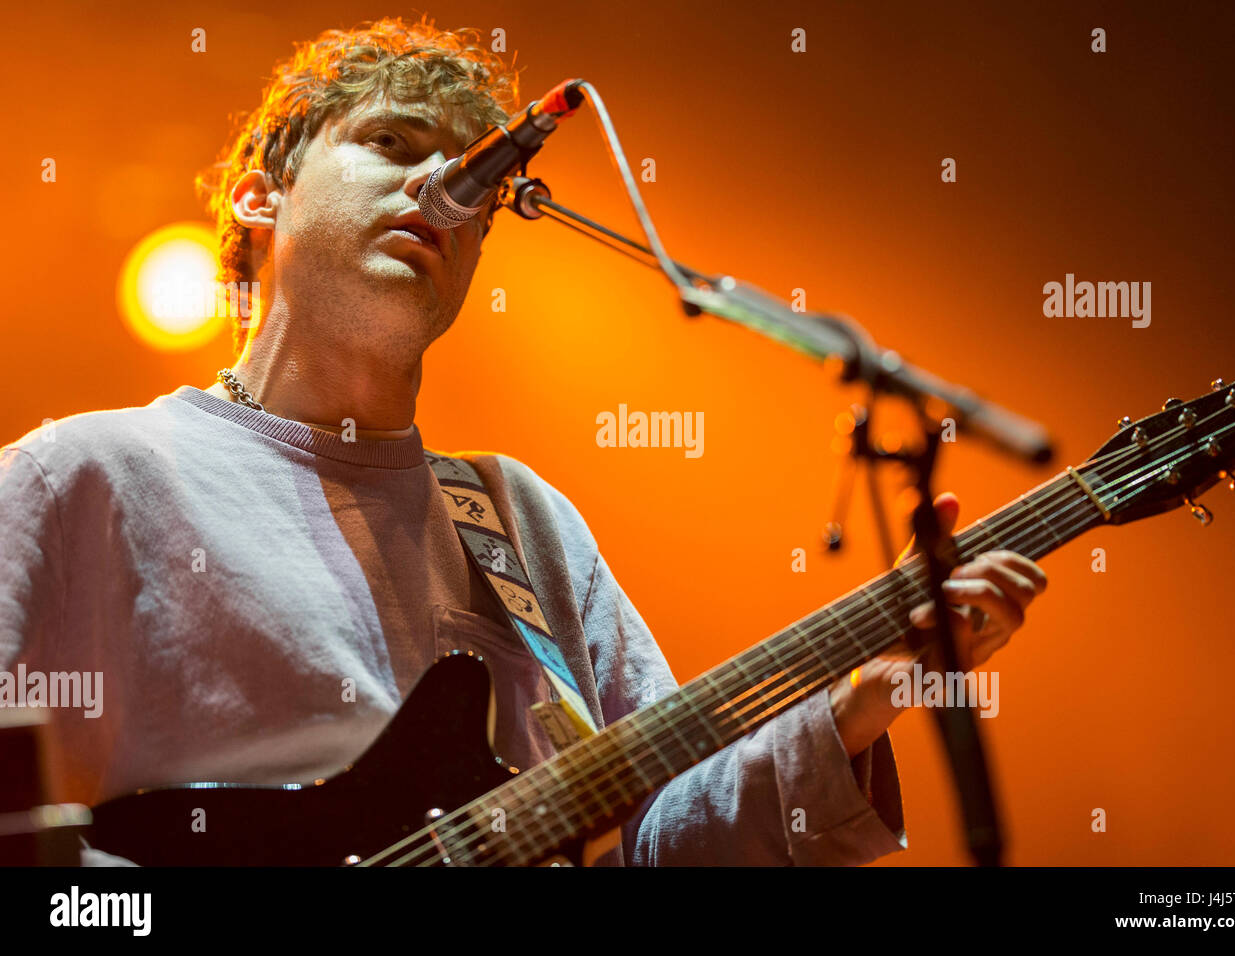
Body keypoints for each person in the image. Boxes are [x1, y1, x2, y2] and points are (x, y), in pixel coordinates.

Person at [0, 16, 1046, 866]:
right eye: (392, 144)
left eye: (469, 181)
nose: (437, 190)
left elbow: (664, 836)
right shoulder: (81, 473)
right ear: (258, 194)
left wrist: (858, 702)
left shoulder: (518, 518)